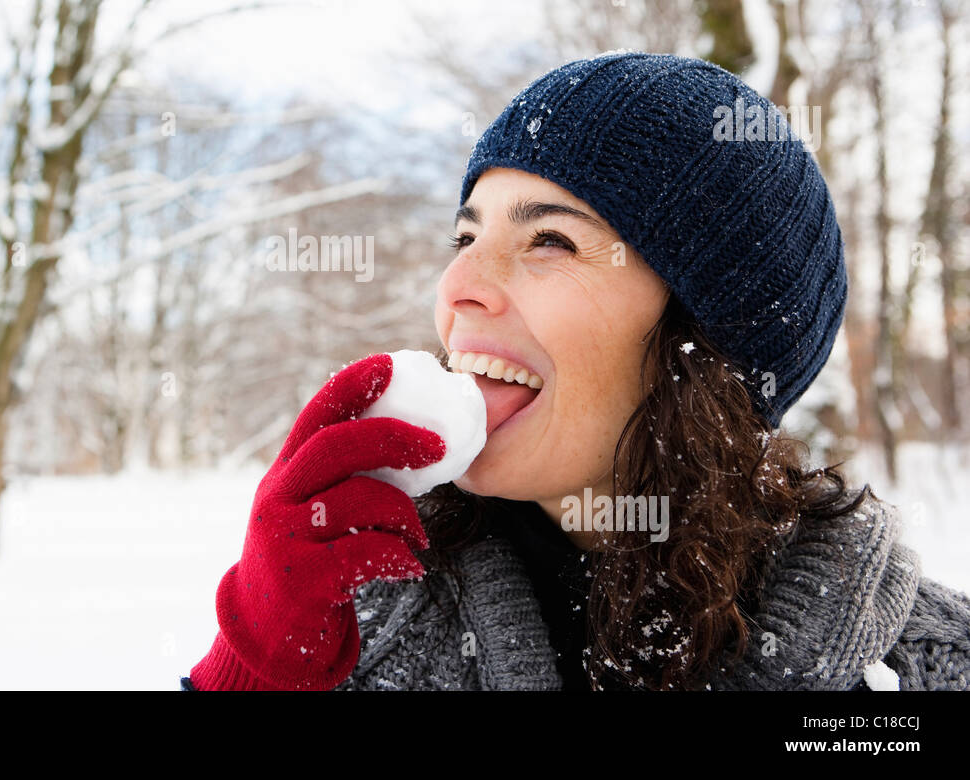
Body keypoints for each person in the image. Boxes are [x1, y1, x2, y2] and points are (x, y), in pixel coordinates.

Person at [182, 51, 970, 691]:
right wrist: (255, 665)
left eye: (549, 242)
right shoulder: (353, 622)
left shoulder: (914, 674)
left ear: (703, 341)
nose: (457, 290)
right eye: (465, 240)